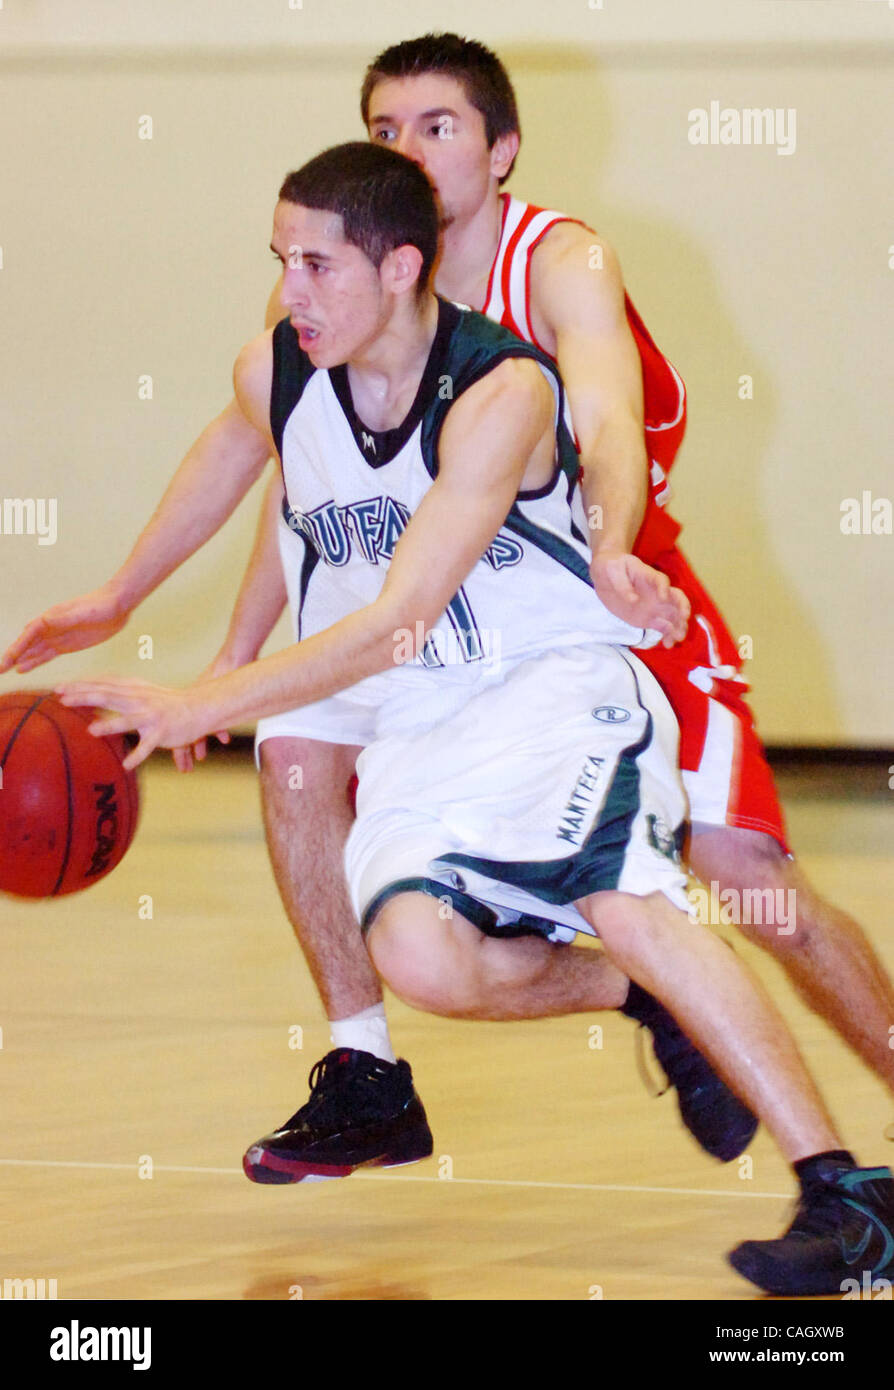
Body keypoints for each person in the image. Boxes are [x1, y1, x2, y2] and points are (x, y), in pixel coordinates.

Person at [6, 32, 893, 1178]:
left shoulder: (558, 262)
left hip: (602, 588)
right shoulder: (346, 277)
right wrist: (191, 633)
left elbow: (611, 424)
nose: (410, 150)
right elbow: (304, 475)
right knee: (296, 750)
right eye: (386, 129)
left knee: (751, 883)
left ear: (503, 149)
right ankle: (366, 1067)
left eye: (439, 127)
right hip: (440, 625)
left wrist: (617, 545)